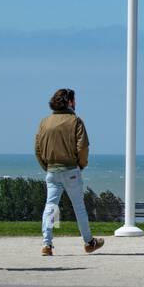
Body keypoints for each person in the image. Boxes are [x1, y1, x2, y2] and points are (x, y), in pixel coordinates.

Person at [35, 88, 104, 256]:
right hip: (71, 169)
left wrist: (46, 165)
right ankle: (88, 242)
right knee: (78, 207)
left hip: (51, 169)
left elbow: (37, 148)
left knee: (51, 207)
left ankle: (47, 244)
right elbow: (82, 147)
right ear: (69, 102)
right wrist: (81, 165)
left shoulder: (45, 122)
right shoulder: (75, 121)